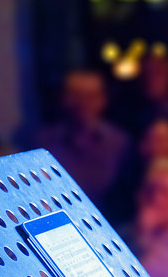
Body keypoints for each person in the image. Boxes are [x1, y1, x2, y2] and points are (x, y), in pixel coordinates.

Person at [36, 70, 130, 211]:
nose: (83, 103)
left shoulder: (119, 144)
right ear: (63, 98)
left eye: (91, 96)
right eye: (76, 96)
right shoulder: (43, 143)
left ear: (103, 100)